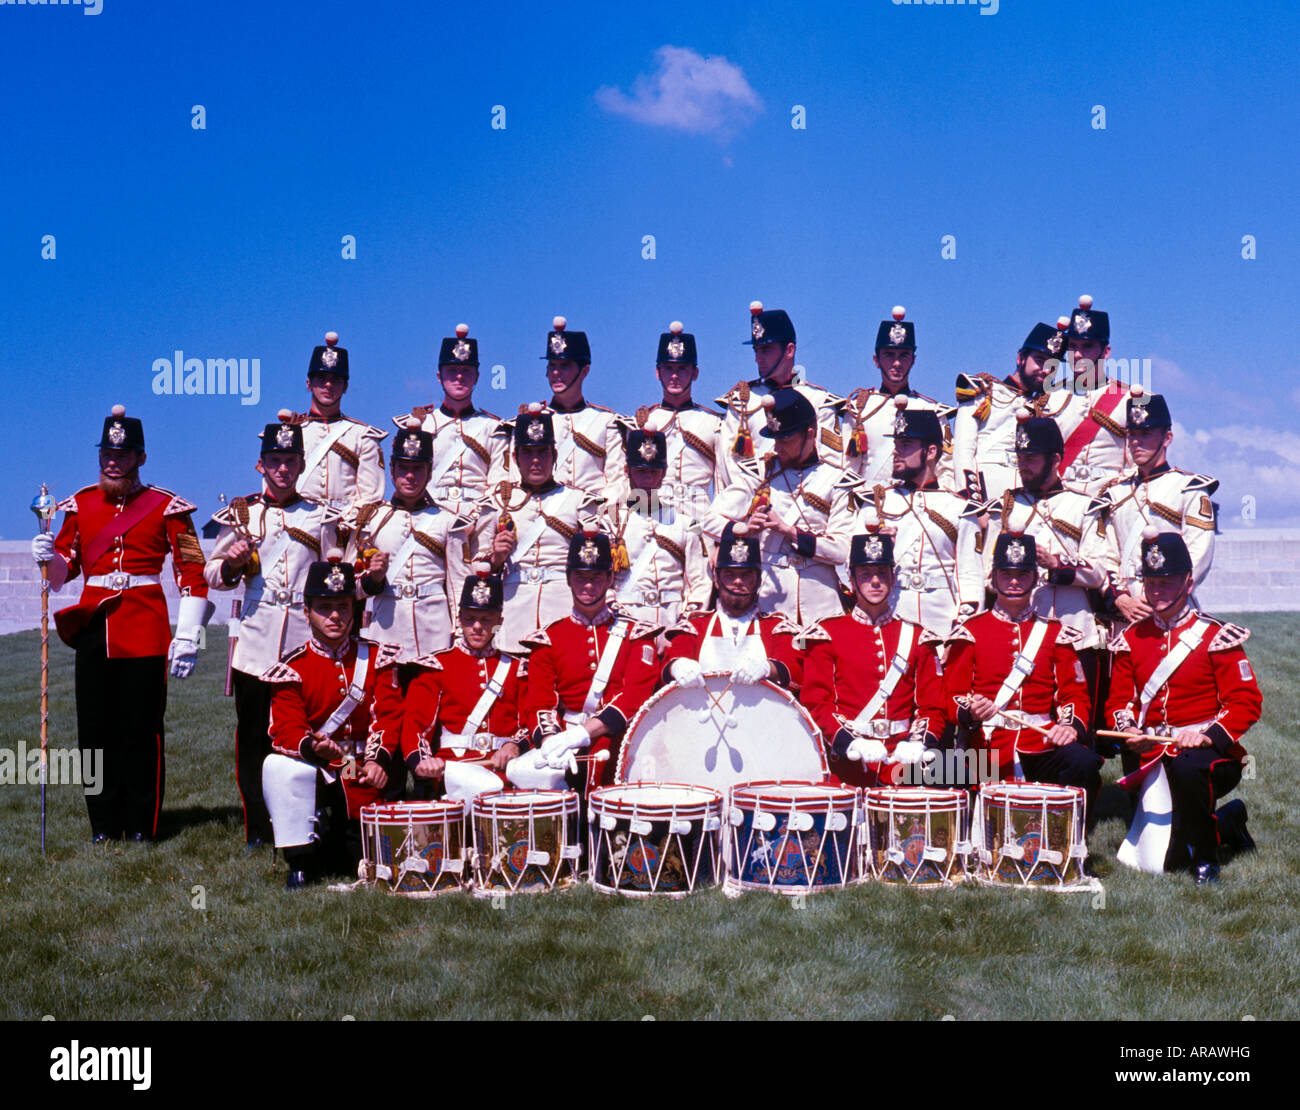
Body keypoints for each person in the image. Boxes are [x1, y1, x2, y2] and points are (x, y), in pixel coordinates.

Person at [34, 405, 212, 843]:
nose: (113, 461)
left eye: (123, 453)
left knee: (141, 729)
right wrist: (47, 557)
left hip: (145, 627)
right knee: (94, 731)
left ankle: (141, 825)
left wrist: (188, 635)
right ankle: (103, 825)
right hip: (94, 627)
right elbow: (65, 570)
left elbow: (193, 571)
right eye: (107, 454)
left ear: (140, 458)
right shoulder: (79, 505)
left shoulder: (168, 507)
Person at [205, 412, 341, 847]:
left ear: (302, 465)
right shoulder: (242, 513)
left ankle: (312, 818)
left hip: (304, 641)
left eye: (291, 460)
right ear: (260, 464)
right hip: (257, 642)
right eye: (274, 460)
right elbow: (210, 572)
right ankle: (258, 830)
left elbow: (334, 567)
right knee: (253, 739)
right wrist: (232, 563)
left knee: (308, 733)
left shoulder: (320, 517)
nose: (283, 468)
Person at [1105, 530, 1261, 882]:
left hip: (1207, 757)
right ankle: (1228, 822)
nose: (1156, 591)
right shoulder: (1131, 638)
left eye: (1167, 582)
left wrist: (1207, 736)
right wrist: (1129, 730)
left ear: (1188, 583)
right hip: (1149, 758)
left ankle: (1206, 861)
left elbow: (1246, 701)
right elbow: (1118, 701)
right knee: (1158, 859)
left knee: (1190, 772)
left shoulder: (1214, 636)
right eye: (1150, 583)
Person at [262, 553, 403, 889]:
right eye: (325, 608)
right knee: (279, 767)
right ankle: (299, 860)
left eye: (343, 606)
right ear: (307, 611)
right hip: (321, 767)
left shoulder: (377, 658)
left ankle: (334, 837)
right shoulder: (292, 667)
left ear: (355, 610)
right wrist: (312, 746)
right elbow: (285, 728)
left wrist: (378, 760)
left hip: (364, 770)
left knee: (358, 859)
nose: (336, 616)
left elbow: (388, 713)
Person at [966, 414, 1111, 733]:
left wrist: (1056, 565)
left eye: (1031, 458)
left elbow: (1100, 570)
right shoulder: (1003, 507)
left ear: (1056, 459)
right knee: (1012, 722)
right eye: (1020, 458)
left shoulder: (1085, 507)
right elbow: (986, 572)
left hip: (1073, 633)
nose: (1023, 465)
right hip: (1017, 630)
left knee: (1077, 729)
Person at [943, 533, 1102, 814]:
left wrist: (1068, 727)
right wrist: (972, 711)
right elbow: (953, 694)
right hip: (987, 746)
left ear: (1035, 577)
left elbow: (1073, 693)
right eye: (1006, 574)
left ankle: (1063, 836)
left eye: (1022, 574)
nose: (1014, 581)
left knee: (1084, 762)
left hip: (1040, 742)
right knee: (934, 774)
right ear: (993, 578)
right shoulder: (970, 631)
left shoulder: (1055, 633)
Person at [802, 531, 946, 788]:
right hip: (848, 766)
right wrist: (850, 741)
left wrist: (918, 742)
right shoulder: (827, 634)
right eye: (866, 574)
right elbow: (817, 702)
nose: (875, 581)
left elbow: (932, 706)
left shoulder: (917, 636)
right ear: (852, 580)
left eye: (882, 573)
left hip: (903, 767)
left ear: (893, 577)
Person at [520, 532, 662, 790]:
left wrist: (580, 735)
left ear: (609, 579)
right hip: (564, 749)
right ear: (568, 579)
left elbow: (634, 696)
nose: (588, 586)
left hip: (621, 745)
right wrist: (552, 742)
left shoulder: (637, 635)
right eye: (580, 577)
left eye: (596, 578)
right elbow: (540, 701)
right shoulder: (548, 639)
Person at [707, 388, 856, 624]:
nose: (777, 448)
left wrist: (789, 531)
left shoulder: (837, 480)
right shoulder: (759, 472)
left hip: (821, 601)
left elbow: (842, 550)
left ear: (810, 434)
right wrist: (744, 529)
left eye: (785, 439)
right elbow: (709, 519)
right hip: (769, 598)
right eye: (775, 439)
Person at [398, 566, 542, 804]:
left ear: (499, 622)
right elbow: (415, 723)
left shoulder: (518, 668)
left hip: (506, 769)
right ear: (459, 618)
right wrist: (423, 760)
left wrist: (514, 745)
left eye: (486, 619)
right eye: (470, 618)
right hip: (454, 770)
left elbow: (531, 717)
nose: (477, 626)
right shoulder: (436, 666)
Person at [342, 418, 472, 680]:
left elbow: (459, 583)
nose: (410, 476)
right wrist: (372, 580)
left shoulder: (448, 521)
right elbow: (347, 586)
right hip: (386, 630)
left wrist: (459, 634)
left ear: (430, 472)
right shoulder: (371, 520)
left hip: (435, 634)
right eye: (403, 468)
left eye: (418, 468)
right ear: (391, 470)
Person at [472, 407, 602, 653]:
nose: (535, 460)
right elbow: (475, 564)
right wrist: (496, 560)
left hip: (563, 606)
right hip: (512, 607)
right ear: (516, 456)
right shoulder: (497, 501)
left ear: (554, 455)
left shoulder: (579, 501)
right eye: (528, 453)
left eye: (542, 452)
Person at [1081, 388, 1217, 620]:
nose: (1136, 441)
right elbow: (1107, 557)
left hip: (1173, 608)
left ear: (1167, 438)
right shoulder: (1115, 493)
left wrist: (1160, 596)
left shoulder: (1189, 490)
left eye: (1146, 433)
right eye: (1131, 434)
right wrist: (1121, 599)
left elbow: (1198, 555)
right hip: (1126, 613)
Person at [854, 401, 982, 636]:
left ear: (931, 452)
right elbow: (849, 566)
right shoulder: (877, 504)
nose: (895, 451)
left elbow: (970, 576)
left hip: (943, 620)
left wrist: (961, 627)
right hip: (890, 616)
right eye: (895, 444)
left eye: (905, 445)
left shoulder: (961, 508)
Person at [661, 521, 805, 693]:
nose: (738, 581)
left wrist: (771, 669)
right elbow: (667, 664)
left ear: (758, 580)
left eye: (746, 575)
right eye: (729, 574)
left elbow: (798, 672)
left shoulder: (776, 627)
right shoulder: (695, 626)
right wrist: (676, 666)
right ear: (716, 578)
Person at [716, 301, 846, 490]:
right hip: (752, 504)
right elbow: (729, 461)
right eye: (756, 350)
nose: (758, 358)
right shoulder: (741, 401)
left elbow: (830, 462)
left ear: (789, 350)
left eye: (766, 349)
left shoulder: (819, 401)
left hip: (804, 505)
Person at [492, 316, 624, 497]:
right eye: (552, 365)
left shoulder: (607, 423)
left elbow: (616, 484)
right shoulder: (527, 421)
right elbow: (516, 482)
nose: (556, 373)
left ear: (584, 370)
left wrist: (598, 520)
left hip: (593, 518)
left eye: (564, 366)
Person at [604, 426, 712, 630]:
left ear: (663, 474)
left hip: (673, 621)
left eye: (654, 472)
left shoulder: (686, 523)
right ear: (627, 471)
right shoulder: (610, 521)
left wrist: (684, 623)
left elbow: (699, 582)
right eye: (641, 471)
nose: (647, 479)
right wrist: (619, 616)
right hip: (624, 622)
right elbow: (601, 581)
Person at [952, 318, 1070, 502]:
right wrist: (971, 501)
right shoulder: (984, 392)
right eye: (1039, 361)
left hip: (1029, 501)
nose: (1046, 371)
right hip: (986, 496)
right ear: (1020, 358)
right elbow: (963, 451)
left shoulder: (1048, 406)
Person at [620, 320, 725, 524]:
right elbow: (627, 479)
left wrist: (718, 537)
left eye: (682, 369)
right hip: (650, 517)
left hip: (700, 519)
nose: (674, 376)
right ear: (657, 372)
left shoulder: (713, 423)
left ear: (695, 373)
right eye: (668, 368)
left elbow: (722, 483)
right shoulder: (641, 421)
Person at [839, 306, 956, 486]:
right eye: (889, 355)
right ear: (876, 360)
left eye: (904, 355)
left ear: (913, 360)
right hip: (870, 507)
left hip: (918, 508)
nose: (896, 362)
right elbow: (847, 468)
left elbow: (945, 468)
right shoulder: (858, 409)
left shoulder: (931, 411)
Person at [391, 324, 505, 508]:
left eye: (466, 371)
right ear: (439, 376)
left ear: (477, 376)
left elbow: (500, 482)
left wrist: (477, 517)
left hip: (481, 513)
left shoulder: (494, 428)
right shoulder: (420, 424)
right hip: (430, 514)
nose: (459, 377)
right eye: (452, 370)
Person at [290, 331, 387, 511]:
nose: (328, 385)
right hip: (298, 525)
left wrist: (347, 527)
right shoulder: (291, 432)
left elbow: (370, 496)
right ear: (308, 383)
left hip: (345, 528)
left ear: (346, 387)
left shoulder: (363, 436)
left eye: (335, 380)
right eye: (321, 378)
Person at [1044, 295, 1131, 495]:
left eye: (1087, 346)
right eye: (1073, 346)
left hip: (1109, 500)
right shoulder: (1049, 397)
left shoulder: (1129, 399)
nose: (1077, 354)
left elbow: (1138, 463)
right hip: (1058, 500)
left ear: (1105, 352)